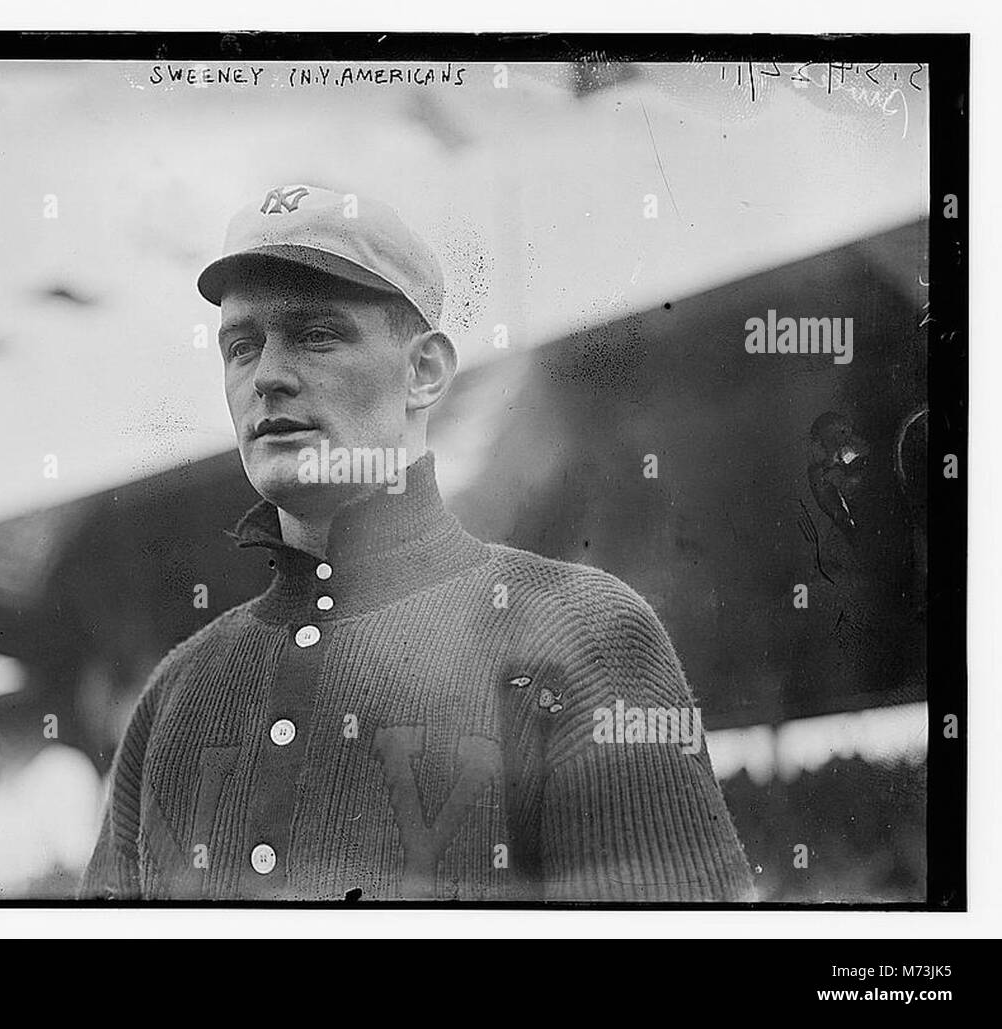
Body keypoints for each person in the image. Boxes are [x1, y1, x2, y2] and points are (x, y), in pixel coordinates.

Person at [81, 183, 754, 901]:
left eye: (317, 334)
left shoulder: (582, 634)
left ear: (424, 370)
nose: (268, 377)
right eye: (242, 346)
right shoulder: (174, 697)